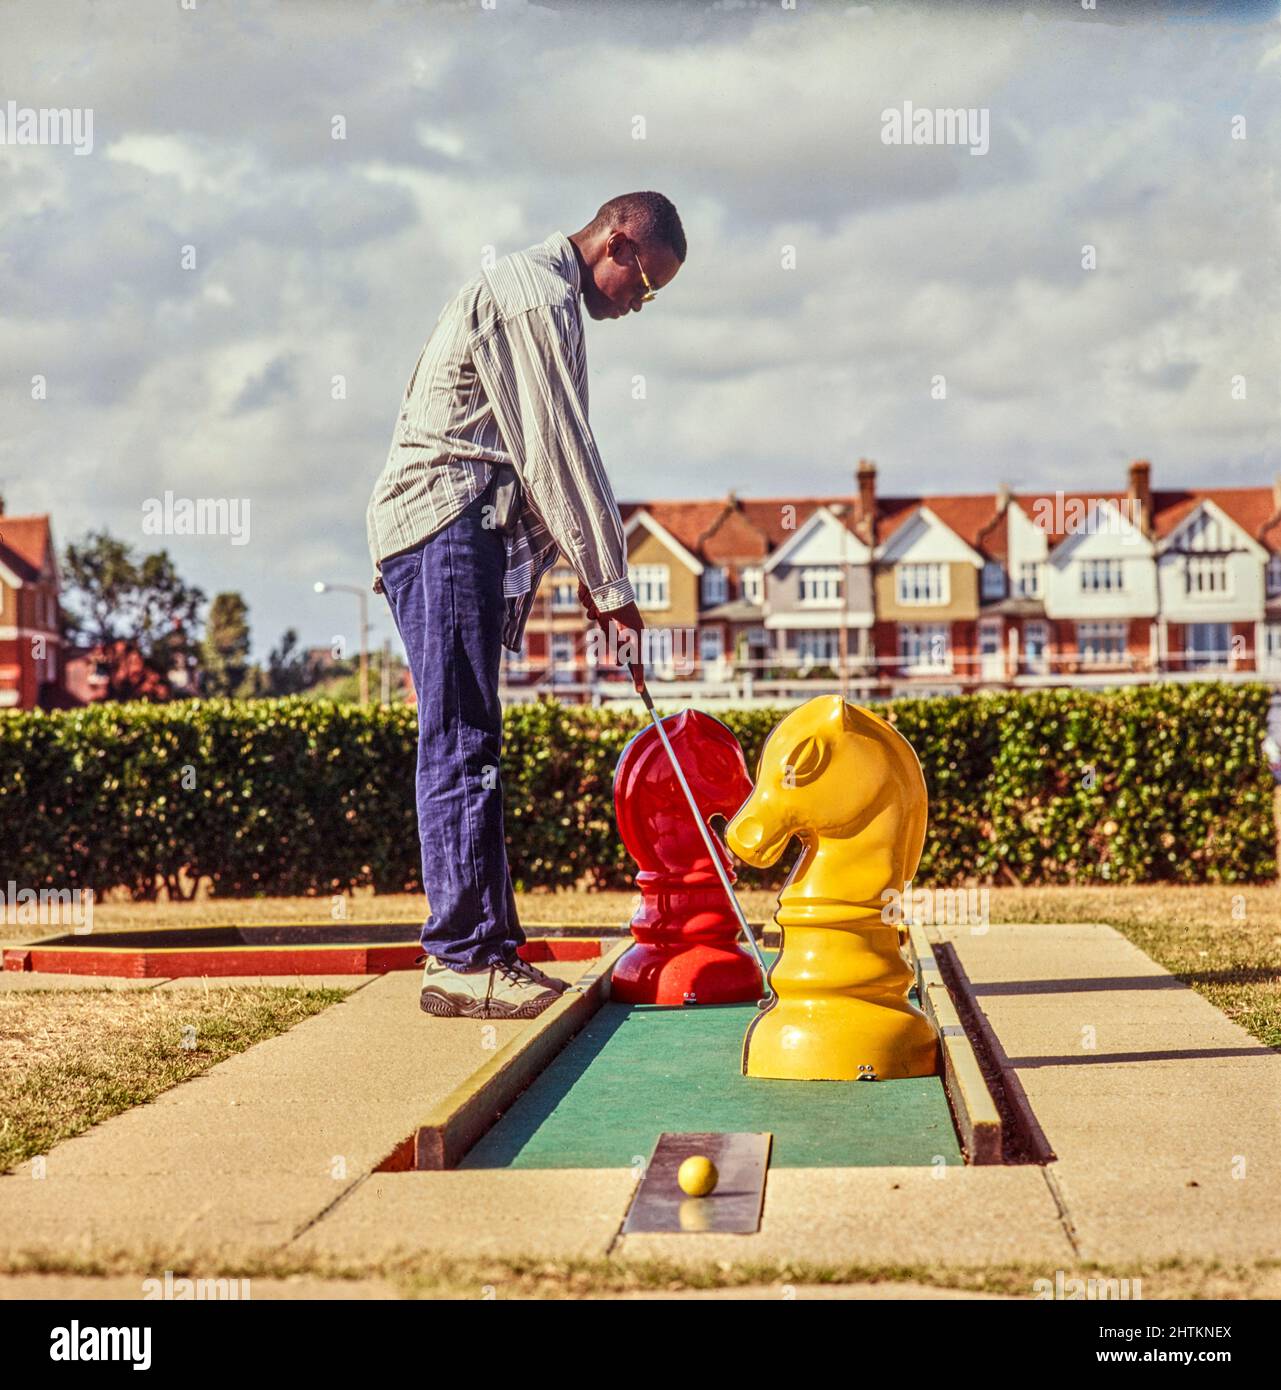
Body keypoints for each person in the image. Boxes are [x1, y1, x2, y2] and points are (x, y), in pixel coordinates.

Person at [366, 192, 686, 1019]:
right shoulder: (535, 295)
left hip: (453, 529)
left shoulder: (550, 299)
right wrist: (611, 587)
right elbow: (558, 448)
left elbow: (542, 459)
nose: (638, 306)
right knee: (461, 736)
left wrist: (591, 577)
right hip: (440, 524)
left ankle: (488, 951)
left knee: (474, 736)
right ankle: (463, 960)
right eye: (643, 285)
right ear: (616, 241)